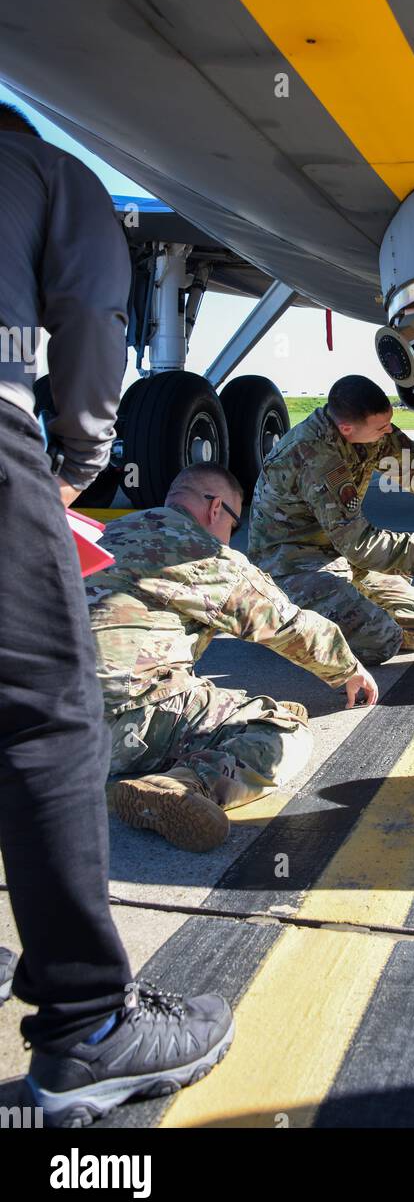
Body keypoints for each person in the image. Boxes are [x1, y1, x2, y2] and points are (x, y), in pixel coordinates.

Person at [0, 100, 233, 1126]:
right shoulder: (49, 174)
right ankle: (91, 1024)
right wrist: (73, 470)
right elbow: (93, 336)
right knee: (45, 723)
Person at [89, 463, 379, 852]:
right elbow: (285, 623)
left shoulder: (108, 533)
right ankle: (180, 786)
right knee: (282, 730)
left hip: (28, 720)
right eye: (233, 523)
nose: (231, 536)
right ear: (216, 509)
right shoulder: (201, 552)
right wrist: (347, 669)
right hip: (105, 728)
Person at [248, 374, 414, 663]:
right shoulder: (316, 457)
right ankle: (274, 614)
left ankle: (327, 613)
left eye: (388, 423)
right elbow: (357, 542)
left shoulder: (371, 434)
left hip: (339, 556)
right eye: (382, 427)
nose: (389, 432)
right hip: (293, 564)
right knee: (381, 640)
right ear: (346, 427)